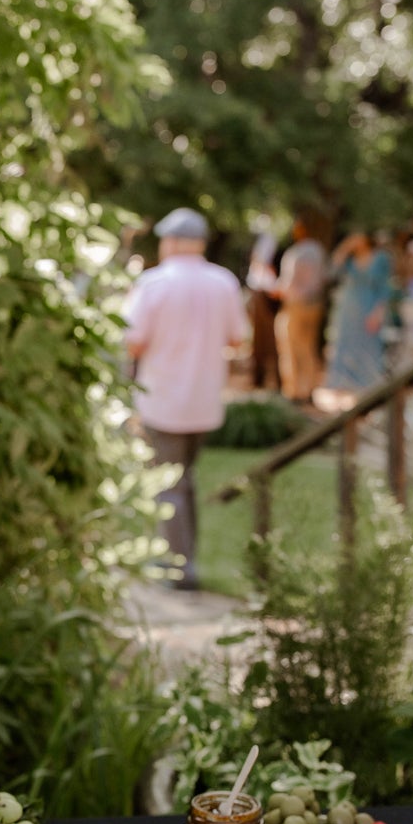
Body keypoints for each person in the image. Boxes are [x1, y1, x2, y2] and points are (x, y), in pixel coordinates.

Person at [124, 208, 248, 591]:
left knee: (169, 484)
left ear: (173, 243)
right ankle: (185, 557)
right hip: (204, 400)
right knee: (186, 480)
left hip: (163, 399)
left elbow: (133, 340)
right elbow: (237, 338)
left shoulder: (154, 283)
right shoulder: (223, 282)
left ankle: (179, 566)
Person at [322, 231, 397, 401]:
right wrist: (343, 249)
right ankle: (341, 386)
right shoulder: (349, 258)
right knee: (345, 344)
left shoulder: (381, 258)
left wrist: (378, 312)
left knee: (368, 345)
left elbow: (385, 287)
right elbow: (332, 273)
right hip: (349, 308)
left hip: (369, 307)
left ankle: (367, 387)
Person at [274, 219, 327, 404]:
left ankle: (295, 391)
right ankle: (309, 388)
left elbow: (287, 285)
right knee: (309, 348)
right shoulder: (318, 251)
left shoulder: (294, 253)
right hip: (315, 304)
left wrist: (273, 287)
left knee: (292, 348)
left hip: (295, 306)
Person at [245, 220, 281, 391]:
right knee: (264, 340)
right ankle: (264, 379)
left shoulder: (270, 237)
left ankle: (267, 379)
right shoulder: (268, 237)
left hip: (266, 293)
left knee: (267, 340)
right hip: (265, 293)